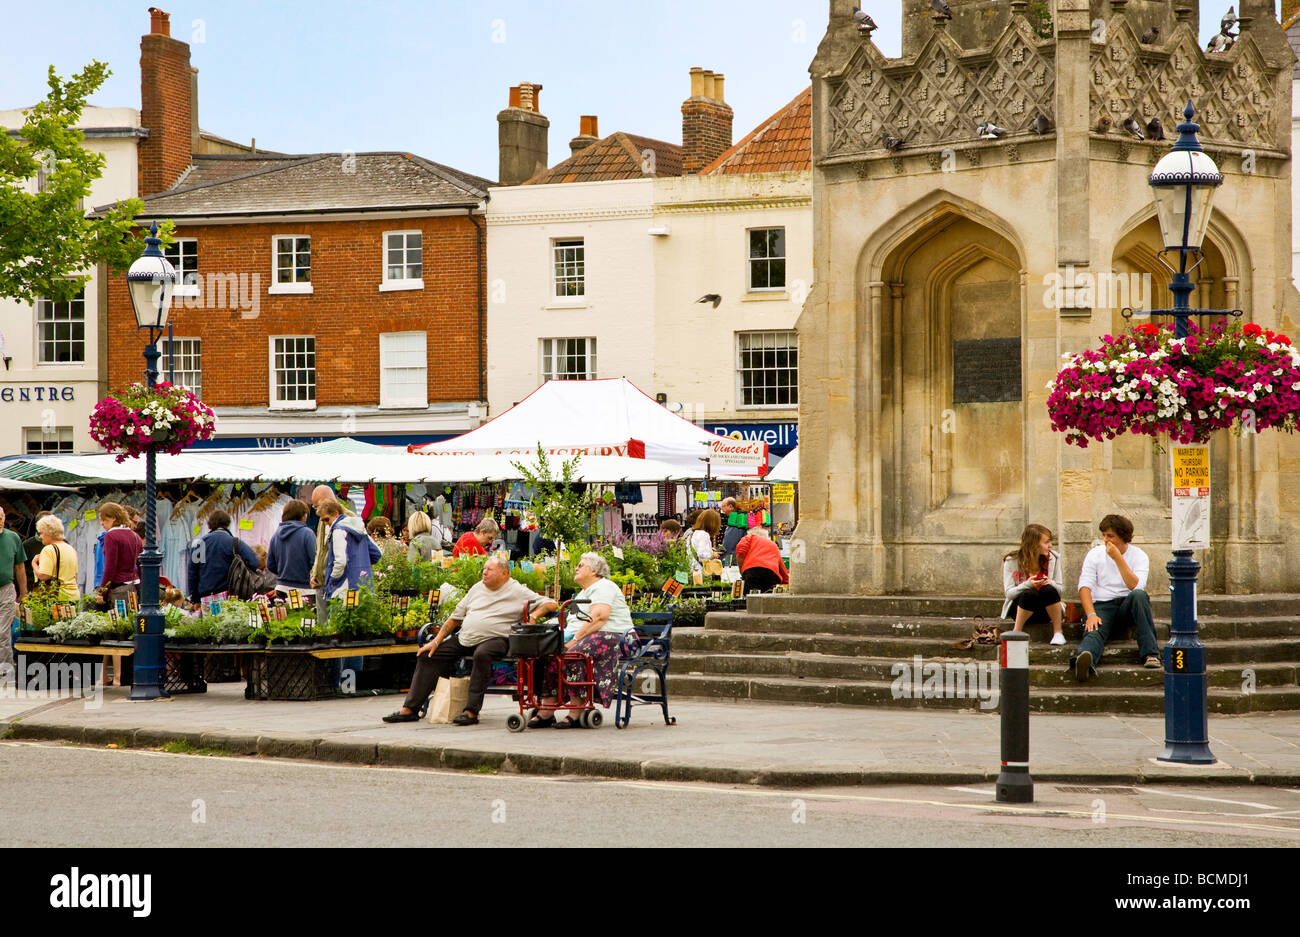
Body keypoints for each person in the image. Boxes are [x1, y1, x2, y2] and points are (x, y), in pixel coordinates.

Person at [383, 557, 556, 725]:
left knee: (482, 654)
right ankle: (410, 709)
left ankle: (471, 711)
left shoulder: (517, 590)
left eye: (489, 569)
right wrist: (436, 640)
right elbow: (454, 618)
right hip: (466, 637)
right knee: (428, 655)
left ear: (504, 573)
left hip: (497, 638)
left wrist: (534, 615)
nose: (484, 572)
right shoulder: (477, 588)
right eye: (484, 569)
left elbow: (551, 603)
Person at [532, 552, 634, 728]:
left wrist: (575, 639)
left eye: (581, 565)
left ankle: (576, 708)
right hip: (591, 634)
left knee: (574, 654)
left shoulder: (604, 586)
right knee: (548, 653)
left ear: (594, 570)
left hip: (615, 635)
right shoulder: (583, 592)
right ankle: (547, 708)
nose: (576, 568)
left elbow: (600, 617)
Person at [1071, 514, 1160, 682]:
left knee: (1139, 595)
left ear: (1123, 537)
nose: (1106, 540)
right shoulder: (1094, 554)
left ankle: (1150, 654)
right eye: (1104, 535)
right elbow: (1085, 586)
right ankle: (1084, 659)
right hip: (1103, 606)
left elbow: (1135, 586)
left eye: (1110, 536)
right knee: (1093, 630)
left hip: (1128, 605)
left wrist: (1118, 558)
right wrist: (1090, 614)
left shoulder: (1140, 556)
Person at [1001, 524, 1065, 645]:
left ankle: (1058, 633)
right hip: (1021, 609)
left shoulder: (1053, 558)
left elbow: (1060, 590)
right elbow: (1009, 594)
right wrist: (1028, 584)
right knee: (1029, 593)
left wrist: (1049, 582)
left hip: (1046, 611)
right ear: (1034, 544)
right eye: (1046, 542)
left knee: (1048, 590)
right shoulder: (1011, 561)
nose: (1050, 546)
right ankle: (1017, 632)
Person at [186, 509, 259, 603]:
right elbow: (254, 562)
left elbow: (192, 573)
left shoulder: (200, 544)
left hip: (206, 597)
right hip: (230, 597)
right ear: (228, 524)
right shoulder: (234, 543)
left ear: (209, 524)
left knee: (209, 618)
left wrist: (195, 599)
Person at [309, 486, 354, 623]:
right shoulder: (322, 519)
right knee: (323, 626)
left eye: (318, 505)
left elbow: (347, 555)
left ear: (328, 500)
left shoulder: (349, 518)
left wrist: (334, 579)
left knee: (337, 625)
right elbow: (320, 550)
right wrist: (314, 574)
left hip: (338, 583)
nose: (316, 510)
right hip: (321, 582)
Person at [319, 501, 382, 598]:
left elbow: (341, 562)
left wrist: (332, 579)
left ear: (336, 513)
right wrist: (362, 565)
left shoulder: (338, 530)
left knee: (340, 613)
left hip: (343, 589)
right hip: (364, 586)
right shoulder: (360, 529)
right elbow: (377, 554)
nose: (326, 524)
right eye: (323, 521)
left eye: (327, 519)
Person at [267, 499, 317, 602]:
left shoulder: (276, 535)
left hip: (282, 589)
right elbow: (314, 561)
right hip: (305, 589)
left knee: (284, 618)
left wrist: (284, 572)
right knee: (307, 618)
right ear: (304, 515)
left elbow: (270, 565)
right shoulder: (307, 533)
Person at [0, 506, 29, 678]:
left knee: (2, 631)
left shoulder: (13, 537)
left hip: (6, 588)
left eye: (2, 516)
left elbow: (20, 566)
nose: (0, 520)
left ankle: (6, 666)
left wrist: (23, 590)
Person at [98, 502, 142, 606]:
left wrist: (102, 592)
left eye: (104, 519)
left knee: (119, 620)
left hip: (119, 588)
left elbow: (110, 567)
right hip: (135, 584)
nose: (102, 523)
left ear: (113, 518)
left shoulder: (111, 536)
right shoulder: (135, 536)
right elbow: (140, 564)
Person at [31, 514, 80, 602]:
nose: (40, 536)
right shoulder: (70, 548)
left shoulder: (49, 550)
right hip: (74, 596)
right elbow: (75, 576)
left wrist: (34, 564)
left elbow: (43, 575)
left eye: (41, 533)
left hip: (57, 597)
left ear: (48, 532)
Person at [734, 526, 789, 594]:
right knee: (768, 601)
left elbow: (741, 552)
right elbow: (782, 568)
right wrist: (786, 582)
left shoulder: (750, 537)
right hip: (772, 575)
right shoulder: (773, 545)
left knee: (751, 599)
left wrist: (742, 571)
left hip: (752, 572)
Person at [21, 511, 50, 591]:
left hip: (56, 591)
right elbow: (21, 570)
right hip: (34, 591)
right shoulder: (27, 545)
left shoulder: (60, 543)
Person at [686, 509, 720, 573]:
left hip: (692, 569)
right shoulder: (704, 534)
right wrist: (713, 555)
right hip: (701, 571)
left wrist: (710, 550)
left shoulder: (693, 533)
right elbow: (702, 555)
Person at [719, 497, 748, 563]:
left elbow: (728, 545)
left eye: (723, 506)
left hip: (733, 560)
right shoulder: (740, 519)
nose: (722, 510)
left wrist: (718, 554)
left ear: (730, 506)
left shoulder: (735, 522)